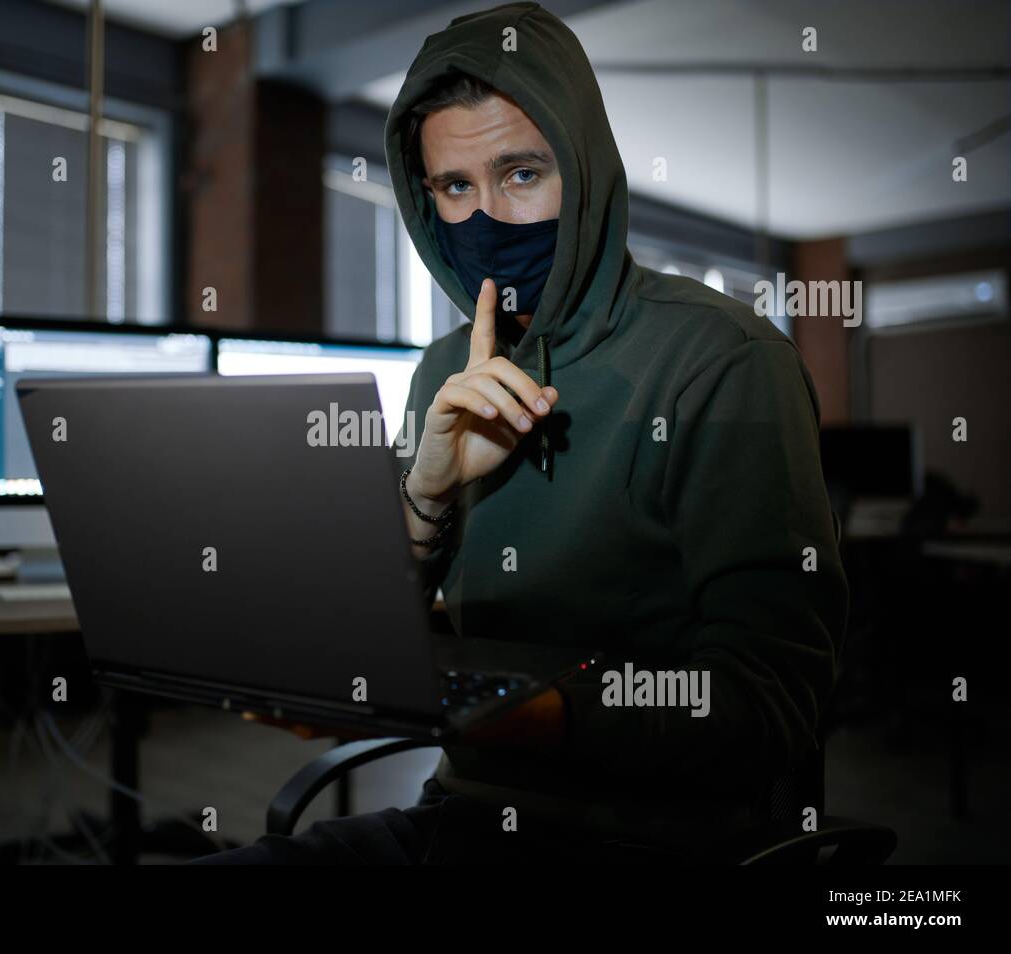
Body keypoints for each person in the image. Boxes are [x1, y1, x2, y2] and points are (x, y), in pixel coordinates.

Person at [193, 1, 846, 864]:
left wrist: (528, 713)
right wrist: (426, 496)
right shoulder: (446, 371)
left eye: (522, 174)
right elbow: (369, 637)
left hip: (657, 841)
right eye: (455, 188)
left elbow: (774, 702)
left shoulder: (722, 359)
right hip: (463, 817)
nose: (487, 218)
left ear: (585, 170)